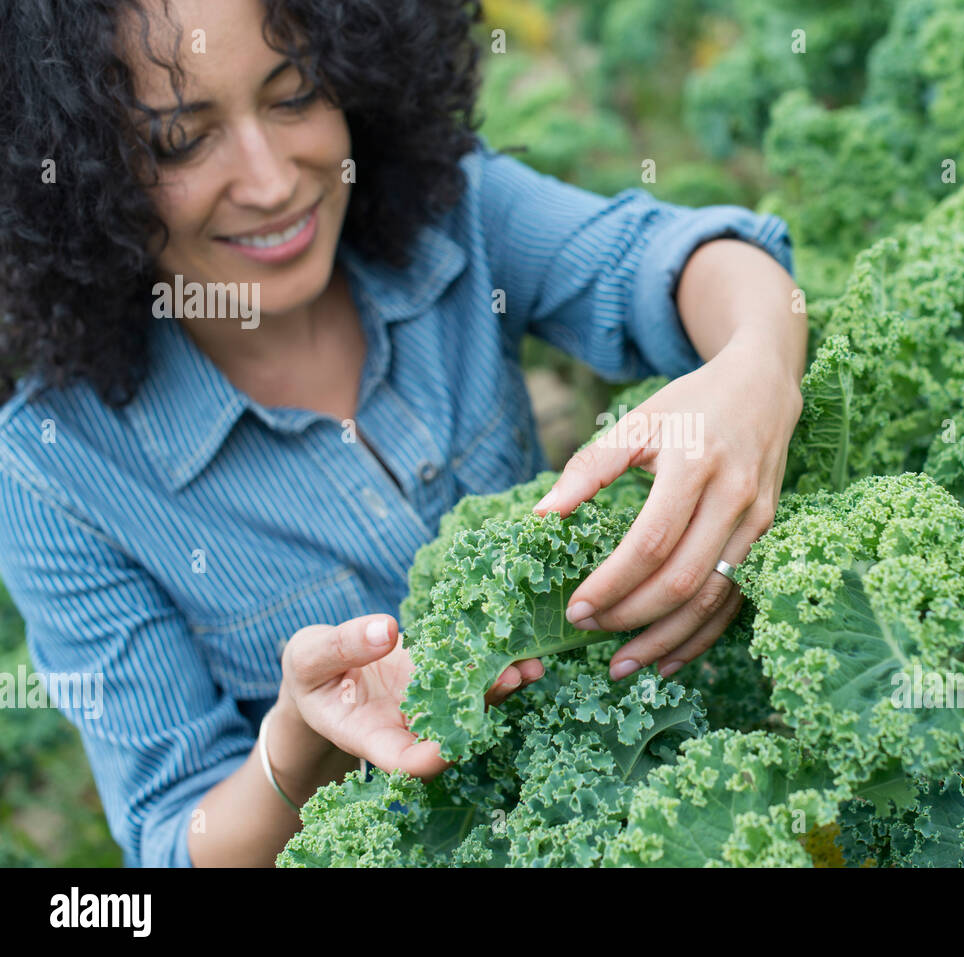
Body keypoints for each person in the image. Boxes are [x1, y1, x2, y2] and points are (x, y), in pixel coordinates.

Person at [0, 0, 805, 867]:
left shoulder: (449, 213)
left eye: (296, 92)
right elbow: (175, 840)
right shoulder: (54, 469)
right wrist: (300, 740)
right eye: (179, 142)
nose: (272, 180)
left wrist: (756, 366)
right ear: (80, 173)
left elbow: (679, 259)